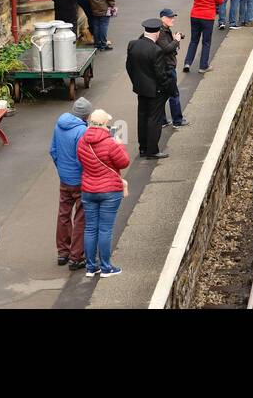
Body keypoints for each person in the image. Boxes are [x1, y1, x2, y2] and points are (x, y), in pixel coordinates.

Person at [77, 109, 129, 278]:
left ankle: (91, 267)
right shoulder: (110, 143)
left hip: (88, 190)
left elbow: (81, 161)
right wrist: (120, 144)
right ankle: (106, 267)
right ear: (104, 124)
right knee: (105, 230)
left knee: (90, 228)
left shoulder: (82, 141)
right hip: (109, 191)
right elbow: (123, 162)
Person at [48, 97, 92, 271]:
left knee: (63, 214)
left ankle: (62, 252)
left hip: (64, 178)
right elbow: (83, 158)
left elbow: (53, 150)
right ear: (85, 115)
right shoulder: (82, 131)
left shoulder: (59, 124)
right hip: (79, 180)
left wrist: (61, 168)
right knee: (81, 217)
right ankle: (76, 257)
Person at [127, 19, 170, 159]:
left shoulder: (133, 45)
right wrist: (165, 88)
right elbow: (160, 74)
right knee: (154, 120)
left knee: (142, 117)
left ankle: (143, 148)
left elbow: (129, 67)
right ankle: (152, 150)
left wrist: (136, 82)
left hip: (140, 88)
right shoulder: (156, 50)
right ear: (157, 33)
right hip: (155, 91)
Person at [185, 0, 225, 72]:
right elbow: (220, 1)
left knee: (193, 40)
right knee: (206, 42)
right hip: (207, 17)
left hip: (195, 15)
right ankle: (203, 66)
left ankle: (187, 63)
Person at [157, 9, 188, 128]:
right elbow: (166, 49)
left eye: (173, 17)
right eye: (170, 17)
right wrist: (176, 40)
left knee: (162, 94)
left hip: (164, 67)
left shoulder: (164, 30)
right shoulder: (162, 32)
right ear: (162, 18)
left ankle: (163, 120)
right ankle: (177, 120)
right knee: (173, 94)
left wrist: (175, 38)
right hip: (167, 67)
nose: (172, 19)